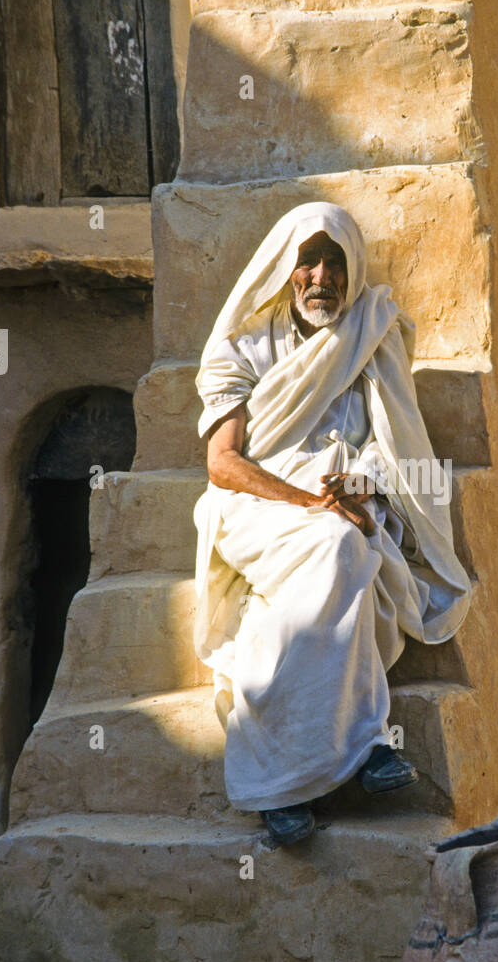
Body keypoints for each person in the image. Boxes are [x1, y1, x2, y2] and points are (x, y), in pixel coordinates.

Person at [193, 202, 471, 845]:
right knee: (340, 546)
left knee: (345, 546)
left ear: (351, 271)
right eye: (308, 262)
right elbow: (224, 463)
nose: (322, 276)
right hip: (254, 507)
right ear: (286, 269)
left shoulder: (372, 330)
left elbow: (394, 442)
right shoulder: (241, 344)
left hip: (339, 501)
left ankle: (283, 791)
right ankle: (368, 745)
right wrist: (304, 500)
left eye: (335, 263)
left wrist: (362, 481)